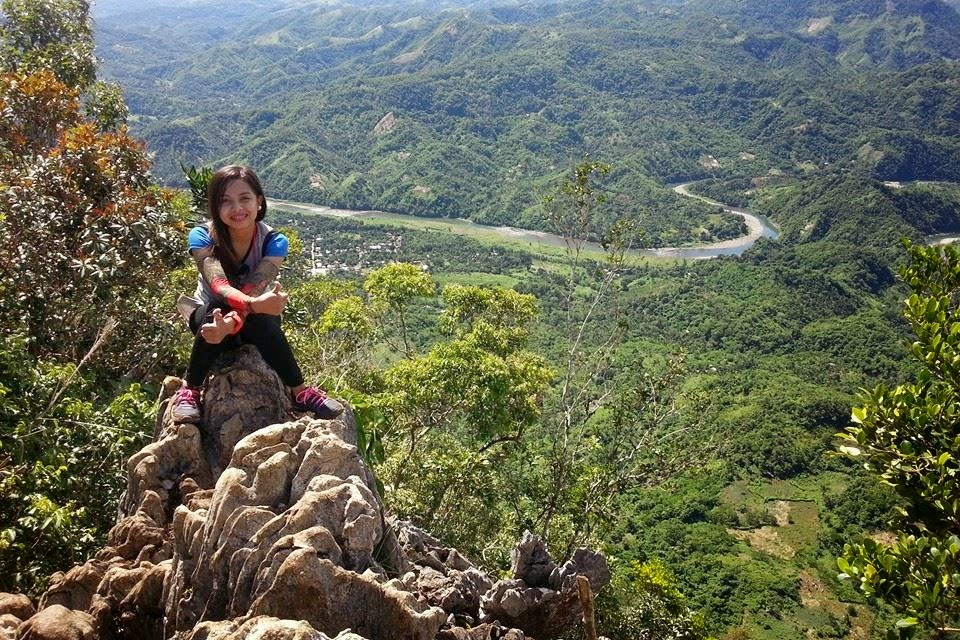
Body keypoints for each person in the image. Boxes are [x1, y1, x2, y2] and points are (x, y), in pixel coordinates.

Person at [171, 164, 343, 422]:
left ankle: (300, 392)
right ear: (215, 206)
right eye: (225, 201)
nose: (237, 208)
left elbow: (253, 288)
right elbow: (219, 286)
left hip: (251, 324)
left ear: (259, 201)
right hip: (210, 322)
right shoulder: (202, 236)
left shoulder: (273, 241)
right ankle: (191, 390)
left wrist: (233, 322)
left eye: (244, 198)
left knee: (261, 318)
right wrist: (230, 320)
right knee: (216, 309)